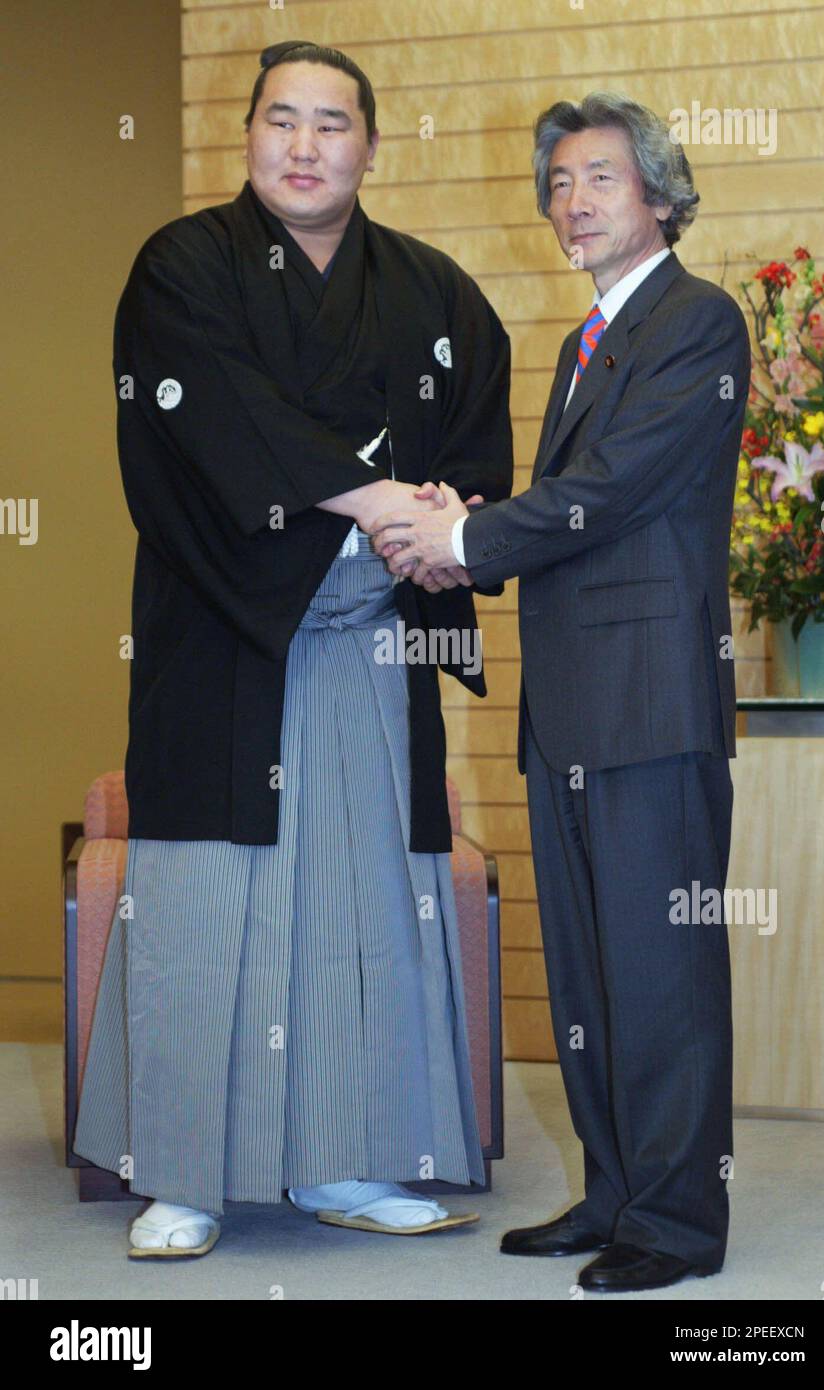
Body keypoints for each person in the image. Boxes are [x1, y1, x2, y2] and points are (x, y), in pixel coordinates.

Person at [72, 39, 513, 1257]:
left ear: (370, 145)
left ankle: (352, 1161)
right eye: (283, 121)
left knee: (363, 903)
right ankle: (185, 1176)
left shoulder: (432, 289)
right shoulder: (182, 268)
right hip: (224, 630)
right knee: (211, 905)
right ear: (247, 135)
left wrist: (438, 533)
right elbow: (209, 414)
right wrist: (374, 502)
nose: (306, 146)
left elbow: (474, 438)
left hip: (373, 641)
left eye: (333, 124)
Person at [372, 92, 750, 1292]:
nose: (571, 203)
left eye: (597, 180)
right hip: (575, 708)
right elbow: (584, 511)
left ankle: (680, 1223)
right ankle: (616, 1192)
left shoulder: (696, 324)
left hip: (650, 705)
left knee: (660, 968)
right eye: (558, 185)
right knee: (590, 967)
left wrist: (464, 543)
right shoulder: (591, 338)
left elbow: (619, 489)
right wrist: (475, 525)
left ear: (659, 194)